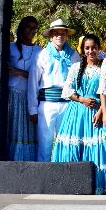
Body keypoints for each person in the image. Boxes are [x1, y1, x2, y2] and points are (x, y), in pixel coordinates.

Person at [52, 34, 106, 194]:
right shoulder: (75, 67)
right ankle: (71, 183)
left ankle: (96, 184)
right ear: (83, 49)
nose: (90, 51)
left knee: (95, 148)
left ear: (98, 48)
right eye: (87, 48)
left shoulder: (104, 67)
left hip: (95, 115)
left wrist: (101, 110)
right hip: (77, 113)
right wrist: (81, 99)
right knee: (75, 146)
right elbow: (67, 91)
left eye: (93, 47)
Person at [27, 18, 80, 162]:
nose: (59, 36)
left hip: (67, 104)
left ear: (66, 35)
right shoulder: (42, 55)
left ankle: (64, 174)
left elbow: (78, 81)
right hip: (47, 104)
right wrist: (32, 109)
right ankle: (43, 177)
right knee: (45, 142)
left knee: (66, 141)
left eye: (62, 33)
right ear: (51, 36)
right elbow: (33, 82)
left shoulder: (74, 56)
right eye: (56, 33)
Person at [6, 16, 40, 161]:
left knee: (28, 129)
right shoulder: (10, 47)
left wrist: (18, 71)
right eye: (28, 27)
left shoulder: (40, 50)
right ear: (21, 29)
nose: (32, 31)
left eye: (34, 28)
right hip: (13, 95)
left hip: (30, 96)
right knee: (13, 128)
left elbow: (39, 76)